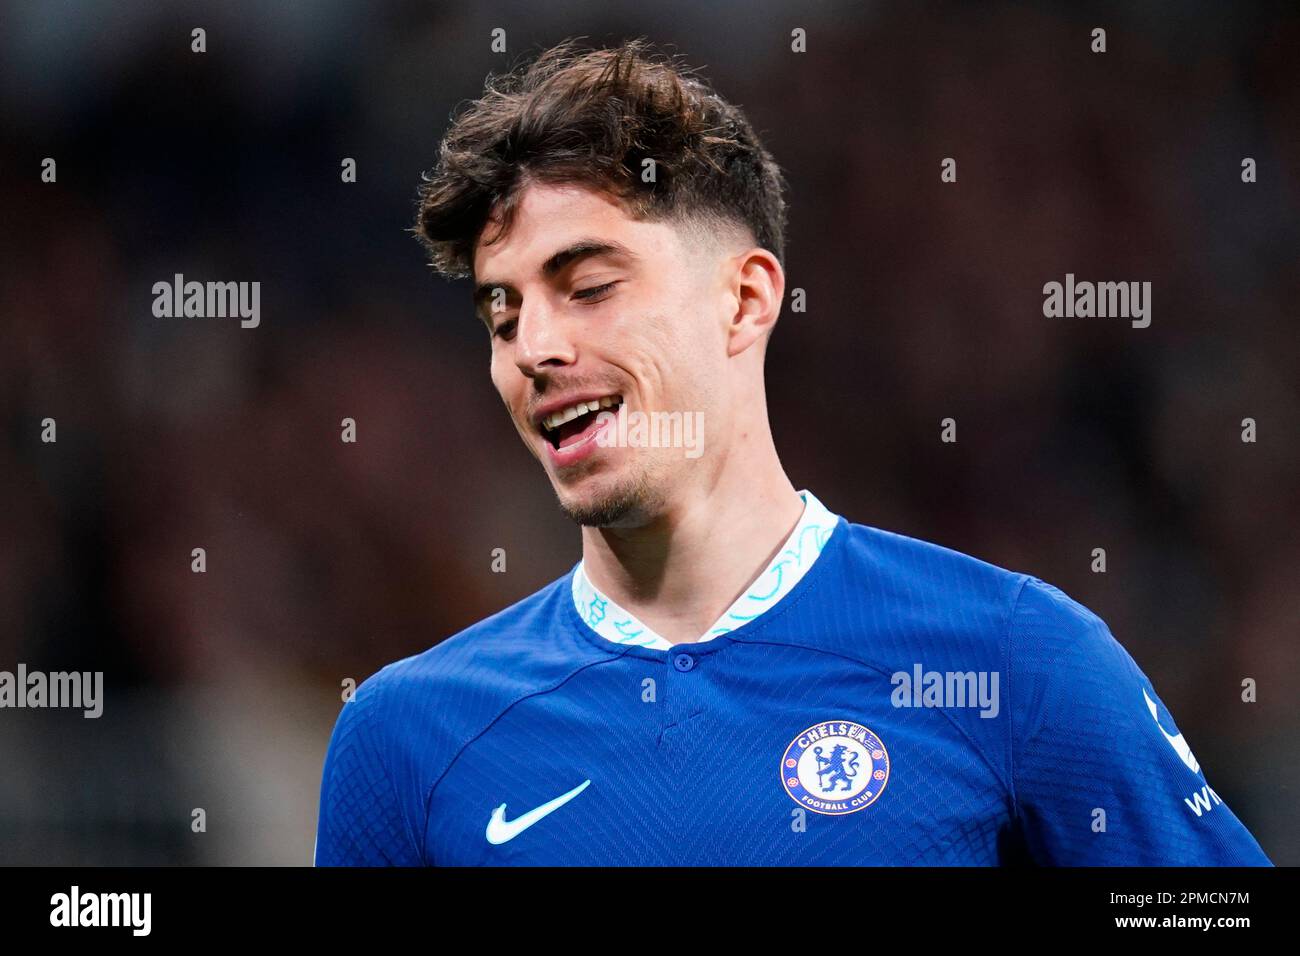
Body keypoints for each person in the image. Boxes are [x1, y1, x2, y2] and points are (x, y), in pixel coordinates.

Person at [314, 38, 1271, 866]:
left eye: (590, 286)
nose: (535, 348)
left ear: (745, 299)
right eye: (503, 312)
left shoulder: (1017, 662)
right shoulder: (406, 740)